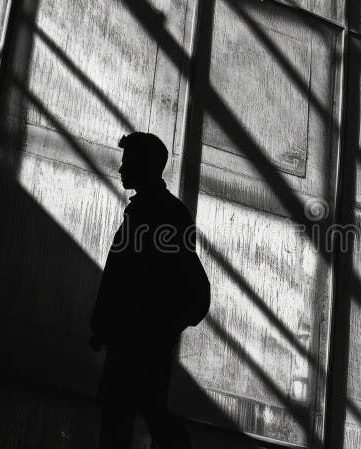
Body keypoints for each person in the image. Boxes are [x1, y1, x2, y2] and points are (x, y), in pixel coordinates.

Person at [90, 132, 210, 449]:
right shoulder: (165, 212)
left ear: (144, 166)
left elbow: (126, 278)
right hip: (146, 337)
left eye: (127, 163)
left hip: (136, 336)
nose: (120, 169)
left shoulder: (151, 213)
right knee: (145, 408)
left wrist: (105, 322)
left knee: (123, 411)